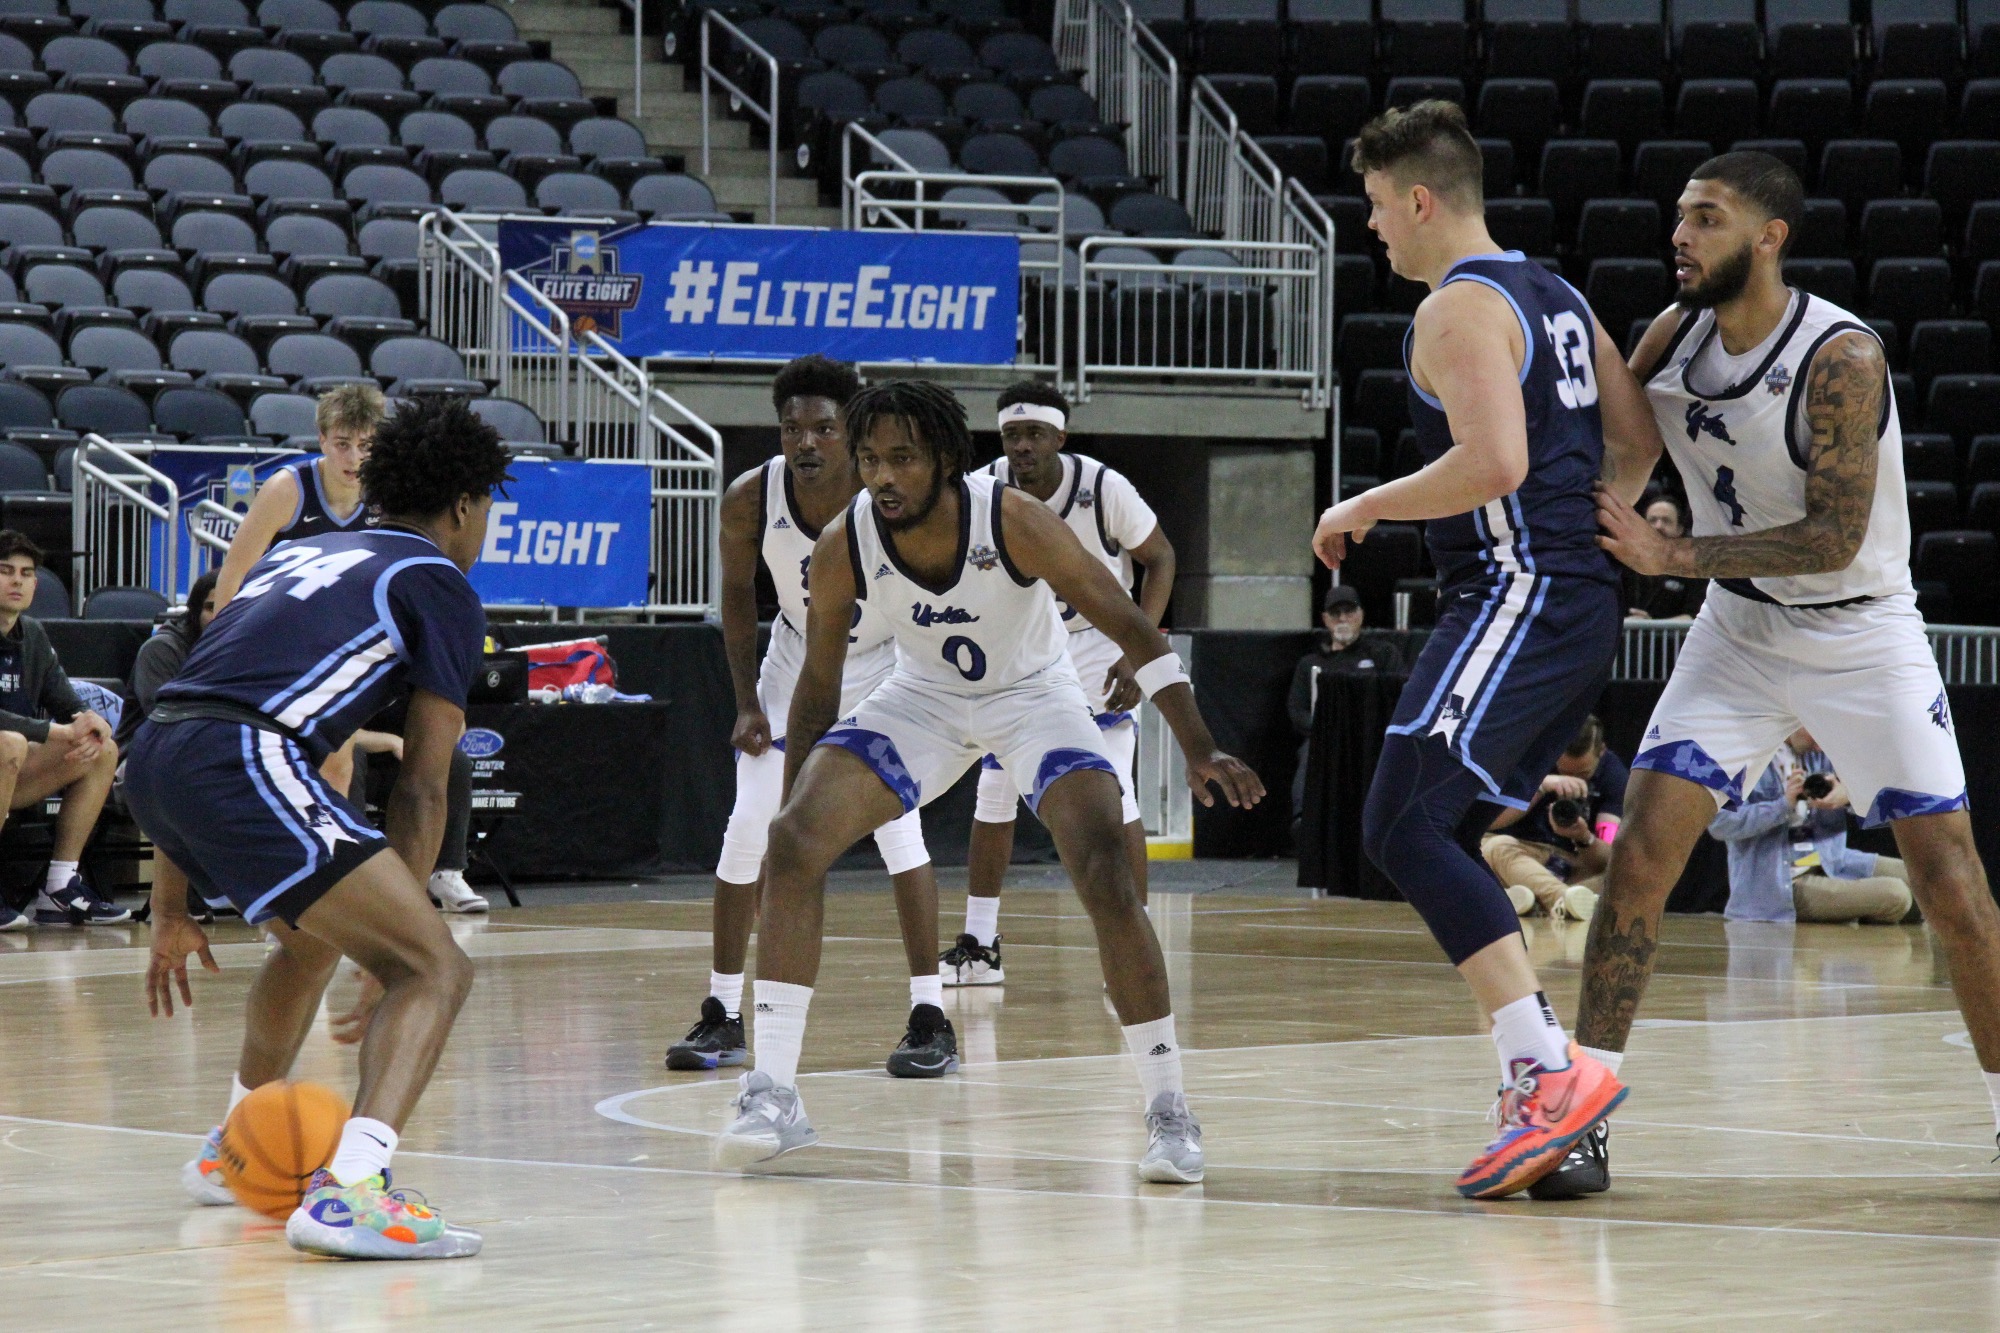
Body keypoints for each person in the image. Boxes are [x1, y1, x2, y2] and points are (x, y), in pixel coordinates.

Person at [1562, 149, 2000, 1202]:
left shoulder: (1837, 356)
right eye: (1677, 216)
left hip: (1861, 632)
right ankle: (1577, 1120)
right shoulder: (1668, 337)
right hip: (1736, 633)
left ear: (1767, 238)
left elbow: (1832, 537)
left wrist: (1669, 556)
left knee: (1948, 887)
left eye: (1704, 218)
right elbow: (1616, 469)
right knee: (1638, 864)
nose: (1678, 234)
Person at [714, 380, 1262, 1182]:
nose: (883, 477)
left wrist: (1198, 744)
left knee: (1107, 868)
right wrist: (801, 805)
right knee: (790, 841)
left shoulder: (1011, 519)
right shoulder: (848, 539)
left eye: (901, 458)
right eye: (869, 460)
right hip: (924, 699)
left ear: (943, 456)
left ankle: (1170, 1107)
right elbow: (820, 687)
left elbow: (1129, 621)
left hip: (1034, 697)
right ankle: (775, 1093)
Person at [1307, 101, 1664, 1199]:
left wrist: (1362, 503)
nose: (1370, 228)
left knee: (1400, 824)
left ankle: (1545, 1073)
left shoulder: (1456, 308)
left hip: (1516, 593)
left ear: (1419, 199)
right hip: (1557, 596)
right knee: (1440, 829)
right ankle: (1540, 1097)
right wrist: (1603, 522)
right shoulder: (1551, 291)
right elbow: (1634, 436)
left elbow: (1495, 462)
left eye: (1373, 207)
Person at [132, 394, 507, 1260]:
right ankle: (351, 1194)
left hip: (158, 751)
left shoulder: (302, 554)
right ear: (462, 506)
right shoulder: (439, 583)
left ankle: (236, 1147)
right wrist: (404, 943)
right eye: (485, 509)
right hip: (242, 754)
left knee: (307, 941)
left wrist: (167, 906)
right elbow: (423, 785)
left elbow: (196, 703)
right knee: (437, 967)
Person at [664, 355, 948, 1079]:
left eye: (824, 426)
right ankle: (723, 1011)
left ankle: (930, 1012)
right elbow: (734, 599)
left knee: (899, 829)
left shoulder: (885, 492)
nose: (808, 441)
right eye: (793, 428)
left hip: (886, 660)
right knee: (748, 827)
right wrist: (746, 700)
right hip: (796, 655)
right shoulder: (748, 499)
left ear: (849, 431)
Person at [942, 380, 1176, 988]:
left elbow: (1161, 557)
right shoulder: (983, 488)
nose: (1022, 446)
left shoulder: (1102, 486)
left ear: (1059, 438)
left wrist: (1137, 647)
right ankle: (982, 944)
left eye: (1034, 434)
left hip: (1099, 648)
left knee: (1115, 792)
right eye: (1012, 435)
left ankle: (1135, 939)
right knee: (993, 793)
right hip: (1023, 655)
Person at [211, 383, 386, 801]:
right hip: (272, 635)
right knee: (266, 759)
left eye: (365, 445)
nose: (354, 457)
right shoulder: (286, 489)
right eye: (342, 444)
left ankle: (326, 860)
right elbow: (234, 575)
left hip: (338, 645)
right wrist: (220, 653)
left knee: (338, 763)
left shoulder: (387, 496)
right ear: (322, 439)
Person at [0, 531, 126, 930]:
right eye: (5, 571)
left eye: (26, 573)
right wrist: (56, 733)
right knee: (10, 743)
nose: (17, 581)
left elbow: (69, 705)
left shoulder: (32, 636)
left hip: (11, 769)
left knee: (103, 749)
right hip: (8, 752)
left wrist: (94, 723)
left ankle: (59, 886)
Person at [1713, 726, 1914, 925]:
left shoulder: (1823, 752)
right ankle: (1847, 929)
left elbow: (1890, 811)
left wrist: (1848, 797)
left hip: (1832, 861)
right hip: (1782, 883)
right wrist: (1783, 806)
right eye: (1816, 736)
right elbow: (1719, 824)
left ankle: (1846, 913)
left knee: (1924, 876)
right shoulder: (1747, 758)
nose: (1819, 747)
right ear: (1796, 717)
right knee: (1895, 894)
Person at [1480, 716, 1627, 922]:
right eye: (1564, 771)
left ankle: (1532, 899)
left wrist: (1584, 837)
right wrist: (1541, 786)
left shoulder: (1613, 777)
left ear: (1601, 752)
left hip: (1570, 862)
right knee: (1493, 846)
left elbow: (1608, 856)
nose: (1573, 781)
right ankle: (1563, 899)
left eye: (1582, 774)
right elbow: (1491, 821)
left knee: (1625, 874)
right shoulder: (1532, 759)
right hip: (1520, 852)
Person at [1286, 584, 1403, 824]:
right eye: (1335, 613)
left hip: (1374, 736)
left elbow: (1399, 696)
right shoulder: (1311, 663)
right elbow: (1297, 711)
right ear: (1325, 619)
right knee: (1310, 751)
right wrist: (1325, 730)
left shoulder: (1383, 654)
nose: (1342, 619)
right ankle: (1303, 820)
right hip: (1325, 738)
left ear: (1360, 614)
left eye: (1349, 612)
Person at [1624, 491, 1707, 620]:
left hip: (1676, 640)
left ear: (1679, 529)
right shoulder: (1625, 565)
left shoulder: (1693, 570)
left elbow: (1694, 617)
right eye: (1652, 520)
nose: (1658, 526)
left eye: (1666, 521)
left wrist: (1650, 625)